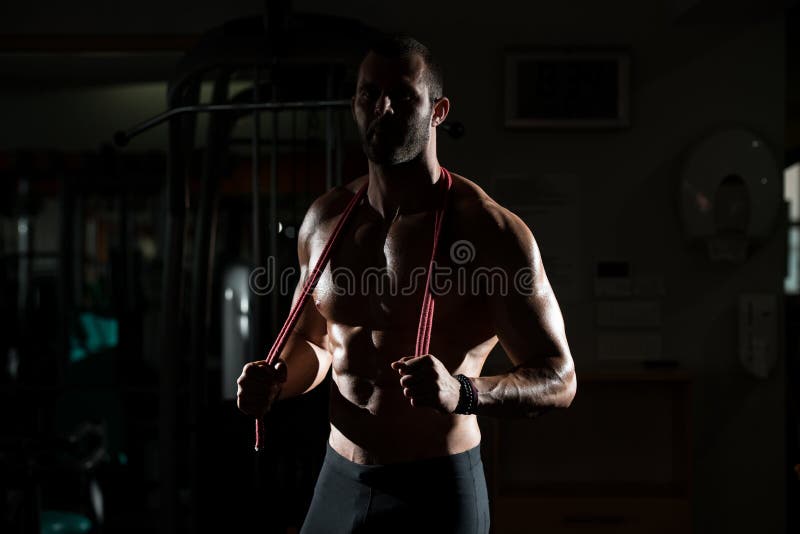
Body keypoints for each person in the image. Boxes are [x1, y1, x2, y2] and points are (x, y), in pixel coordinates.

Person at [237, 35, 577, 534]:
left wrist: (463, 392)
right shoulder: (326, 219)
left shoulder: (491, 233)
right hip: (338, 477)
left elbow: (560, 378)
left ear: (438, 111)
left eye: (403, 95)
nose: (383, 108)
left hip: (436, 487)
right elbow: (317, 342)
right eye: (368, 94)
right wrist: (279, 382)